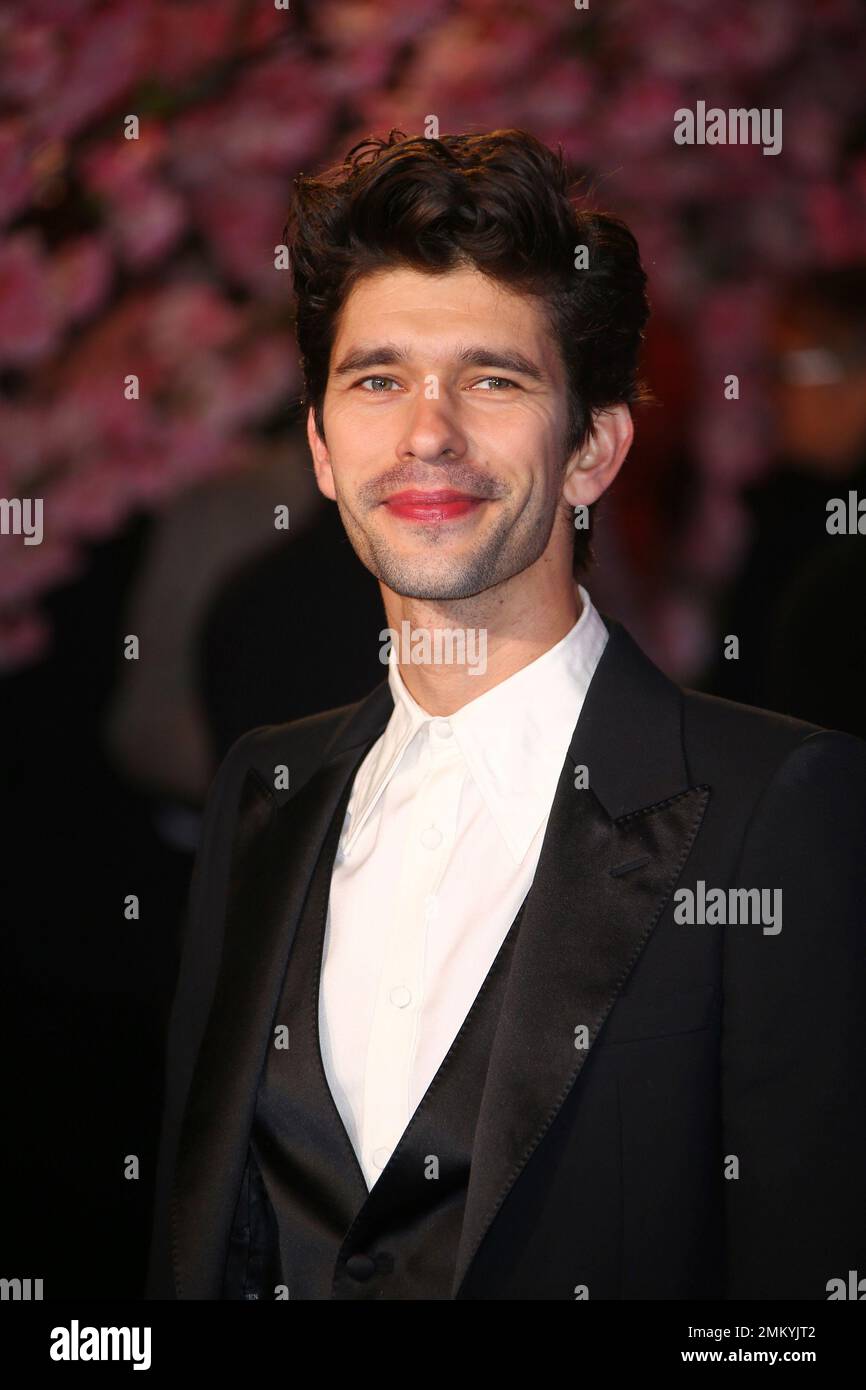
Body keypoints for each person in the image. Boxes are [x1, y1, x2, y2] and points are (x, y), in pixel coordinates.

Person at [146, 129, 866, 1301]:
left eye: (491, 378)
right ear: (322, 448)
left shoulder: (772, 808)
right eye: (376, 380)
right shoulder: (261, 791)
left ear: (591, 449)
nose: (426, 432)